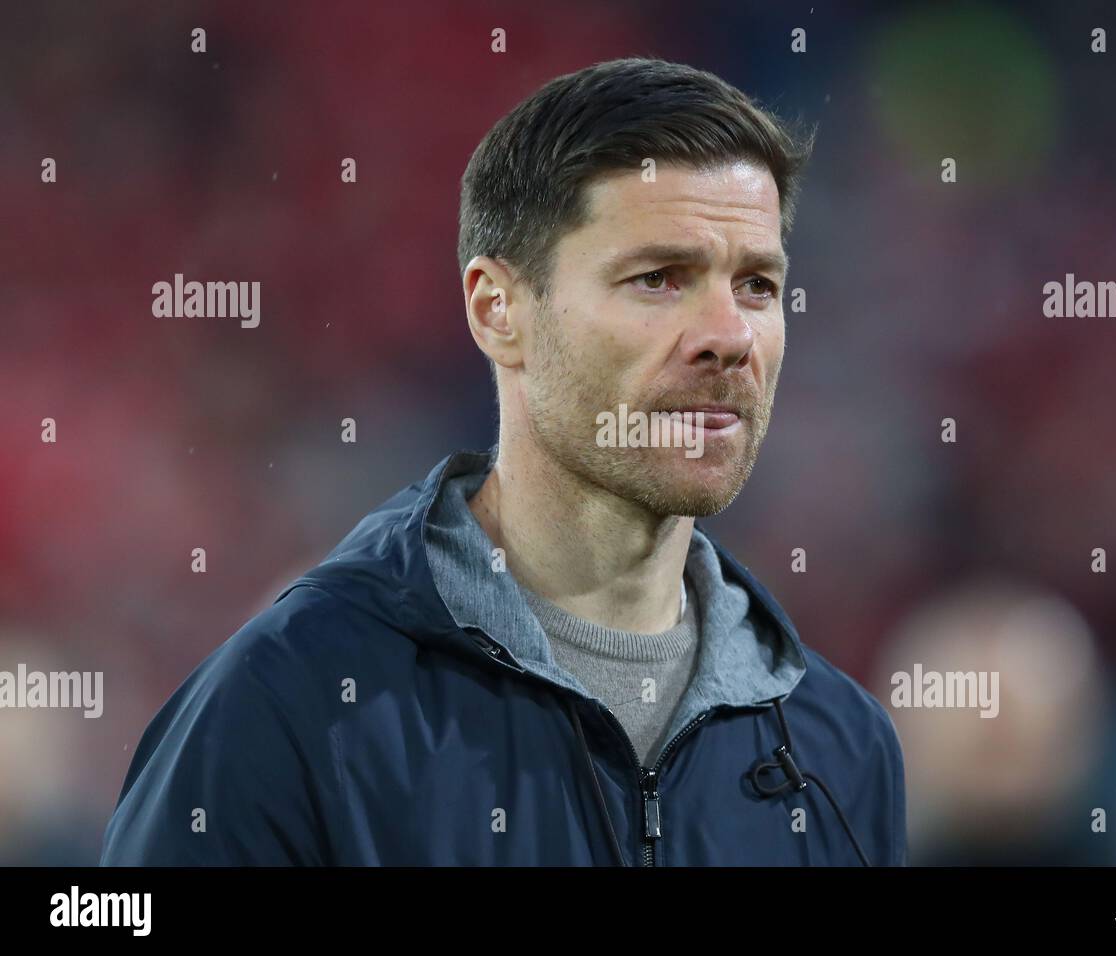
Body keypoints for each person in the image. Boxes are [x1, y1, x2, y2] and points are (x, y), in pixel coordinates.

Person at [100, 57, 906, 866]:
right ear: (498, 310)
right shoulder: (294, 702)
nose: (729, 336)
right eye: (659, 278)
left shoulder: (839, 751)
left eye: (758, 285)